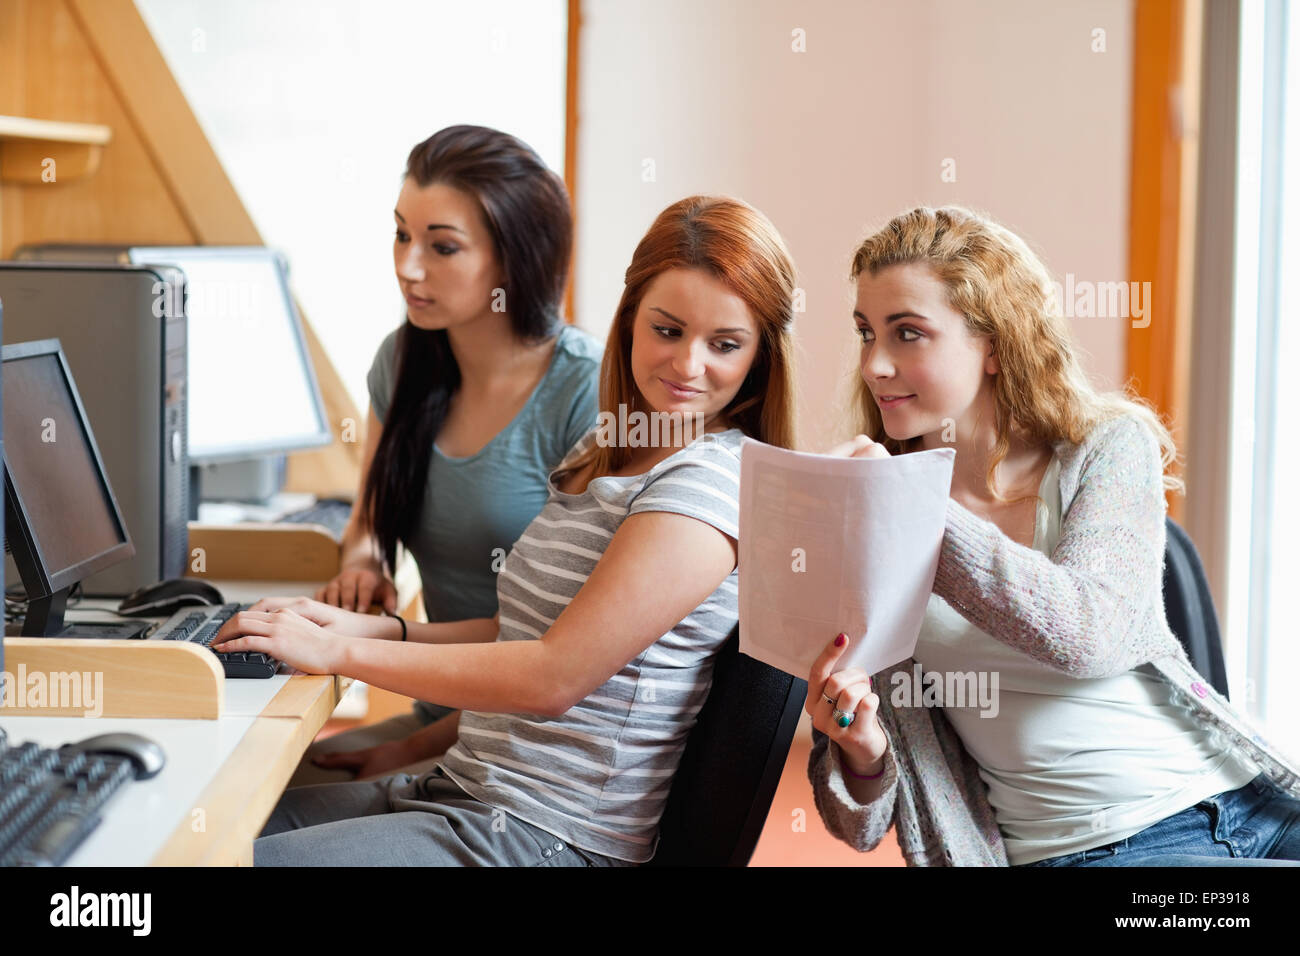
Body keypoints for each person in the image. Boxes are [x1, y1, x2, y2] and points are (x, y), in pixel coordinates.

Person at [212, 195, 799, 865]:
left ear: (758, 357)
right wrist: (370, 628)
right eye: (668, 330)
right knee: (208, 833)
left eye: (724, 345)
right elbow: (530, 628)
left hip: (545, 835)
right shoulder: (610, 449)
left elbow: (553, 675)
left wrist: (340, 656)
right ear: (631, 319)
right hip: (463, 792)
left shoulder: (708, 485)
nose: (688, 365)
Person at [805, 205, 1300, 866]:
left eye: (908, 334)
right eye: (867, 333)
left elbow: (1088, 634)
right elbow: (859, 824)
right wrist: (858, 749)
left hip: (1244, 800)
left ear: (994, 345)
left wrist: (915, 511)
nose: (876, 365)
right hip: (1099, 847)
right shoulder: (862, 515)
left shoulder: (1104, 448)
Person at [291, 125, 603, 786]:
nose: (408, 265)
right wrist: (365, 565)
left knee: (252, 834)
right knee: (237, 804)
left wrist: (403, 757)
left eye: (443, 247)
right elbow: (370, 520)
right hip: (436, 717)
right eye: (402, 234)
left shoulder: (586, 392)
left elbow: (564, 661)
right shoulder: (402, 360)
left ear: (514, 261)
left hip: (528, 744)